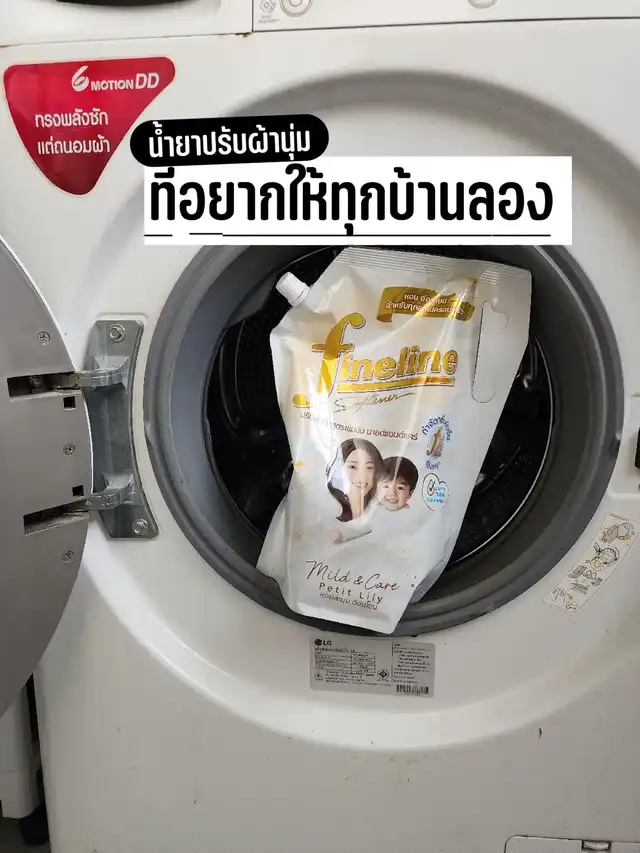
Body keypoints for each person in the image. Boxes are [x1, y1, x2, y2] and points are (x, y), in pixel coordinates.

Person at [328, 455, 419, 545]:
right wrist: (342, 532)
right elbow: (359, 525)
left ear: (410, 493)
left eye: (400, 488)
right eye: (386, 486)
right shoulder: (376, 510)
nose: (392, 493)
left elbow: (415, 536)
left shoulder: (411, 517)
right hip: (373, 548)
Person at [327, 438, 383, 522]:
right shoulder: (326, 507)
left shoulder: (382, 512)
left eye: (369, 468)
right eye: (353, 467)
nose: (361, 476)